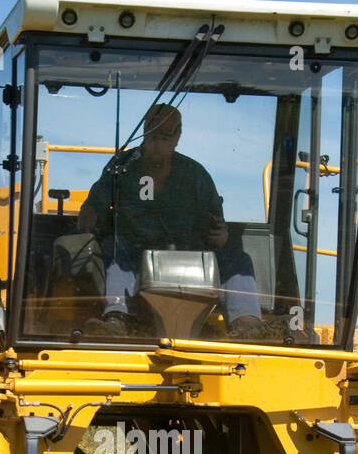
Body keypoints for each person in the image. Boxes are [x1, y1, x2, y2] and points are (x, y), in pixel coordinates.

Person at [77, 102, 262, 335]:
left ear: (177, 137)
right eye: (153, 136)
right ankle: (116, 319)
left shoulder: (195, 175)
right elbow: (94, 207)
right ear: (144, 132)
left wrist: (220, 236)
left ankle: (247, 326)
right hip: (134, 250)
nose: (157, 144)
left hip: (188, 252)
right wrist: (90, 216)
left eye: (165, 137)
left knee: (238, 259)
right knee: (116, 247)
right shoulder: (121, 167)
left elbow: (217, 224)